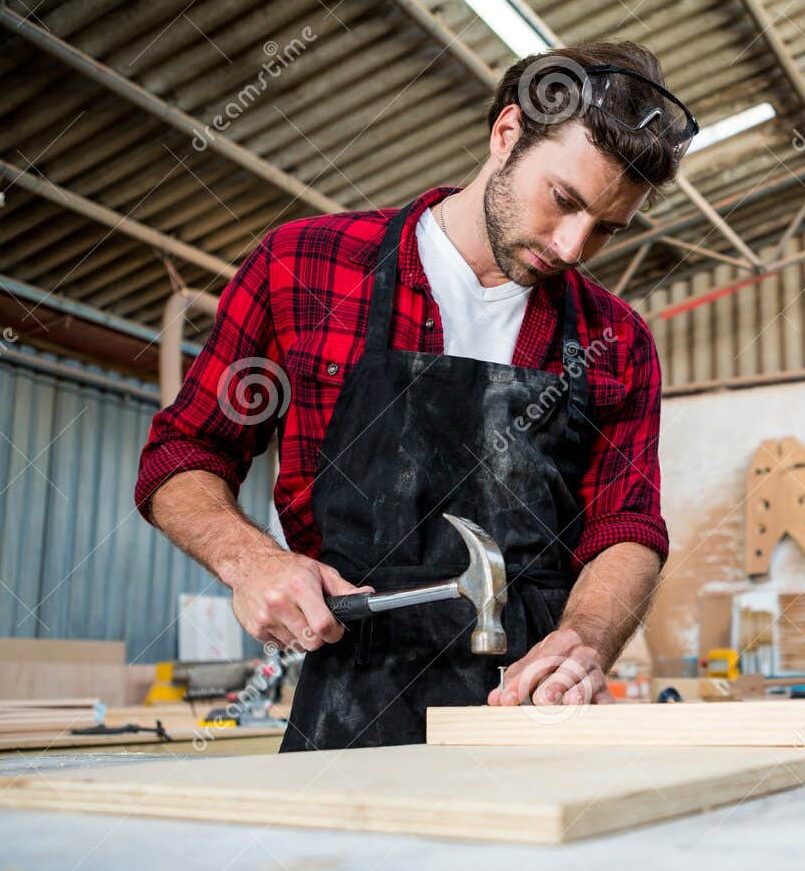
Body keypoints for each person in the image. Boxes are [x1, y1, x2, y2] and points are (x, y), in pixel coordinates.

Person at [134, 41, 694, 750]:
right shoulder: (304, 267)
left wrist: (584, 640)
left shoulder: (616, 340)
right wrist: (251, 561)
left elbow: (626, 528)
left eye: (607, 228)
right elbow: (186, 449)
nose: (574, 246)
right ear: (507, 133)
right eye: (564, 201)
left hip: (527, 711)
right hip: (350, 696)